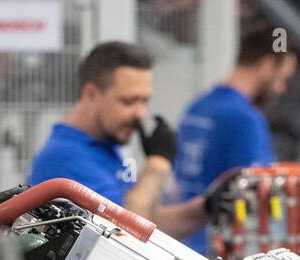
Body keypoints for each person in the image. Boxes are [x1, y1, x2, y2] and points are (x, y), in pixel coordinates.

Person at [28, 42, 208, 240]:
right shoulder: (67, 156)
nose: (140, 114)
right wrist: (159, 163)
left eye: (145, 101)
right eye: (128, 101)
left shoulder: (104, 148)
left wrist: (205, 208)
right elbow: (128, 233)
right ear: (91, 94)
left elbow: (150, 223)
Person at [174, 24, 298, 254]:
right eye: (283, 79)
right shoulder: (245, 119)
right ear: (268, 64)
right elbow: (260, 195)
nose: (281, 90)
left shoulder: (198, 106)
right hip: (216, 252)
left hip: (180, 238)